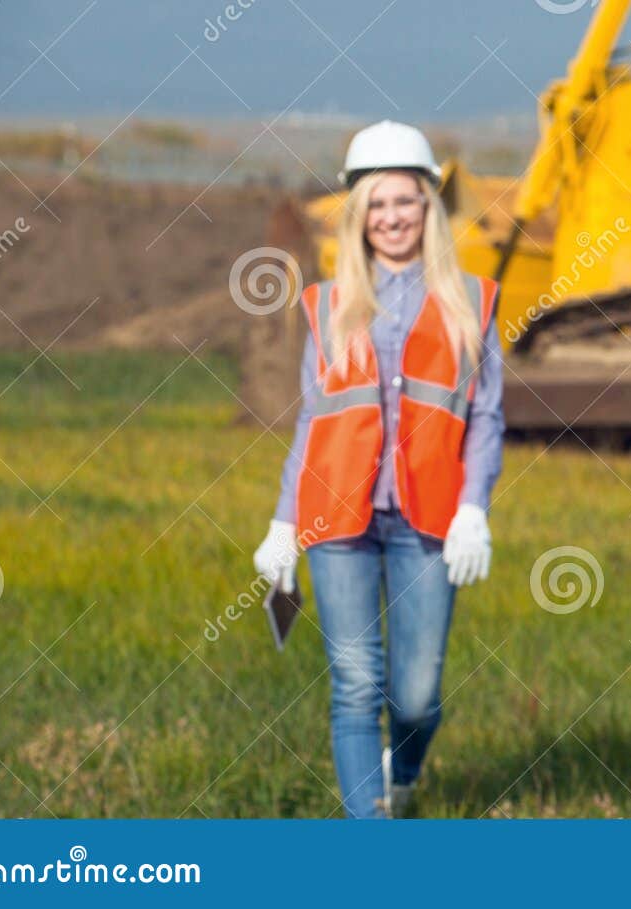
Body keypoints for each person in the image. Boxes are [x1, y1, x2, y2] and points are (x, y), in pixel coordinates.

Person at [253, 120, 505, 819]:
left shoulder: (471, 302)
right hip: (339, 520)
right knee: (355, 684)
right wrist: (282, 523)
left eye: (406, 201)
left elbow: (485, 417)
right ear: (359, 215)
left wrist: (474, 507)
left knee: (418, 695)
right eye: (378, 204)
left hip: (429, 517)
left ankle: (405, 773)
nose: (392, 217)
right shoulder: (329, 304)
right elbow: (314, 421)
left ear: (429, 208)